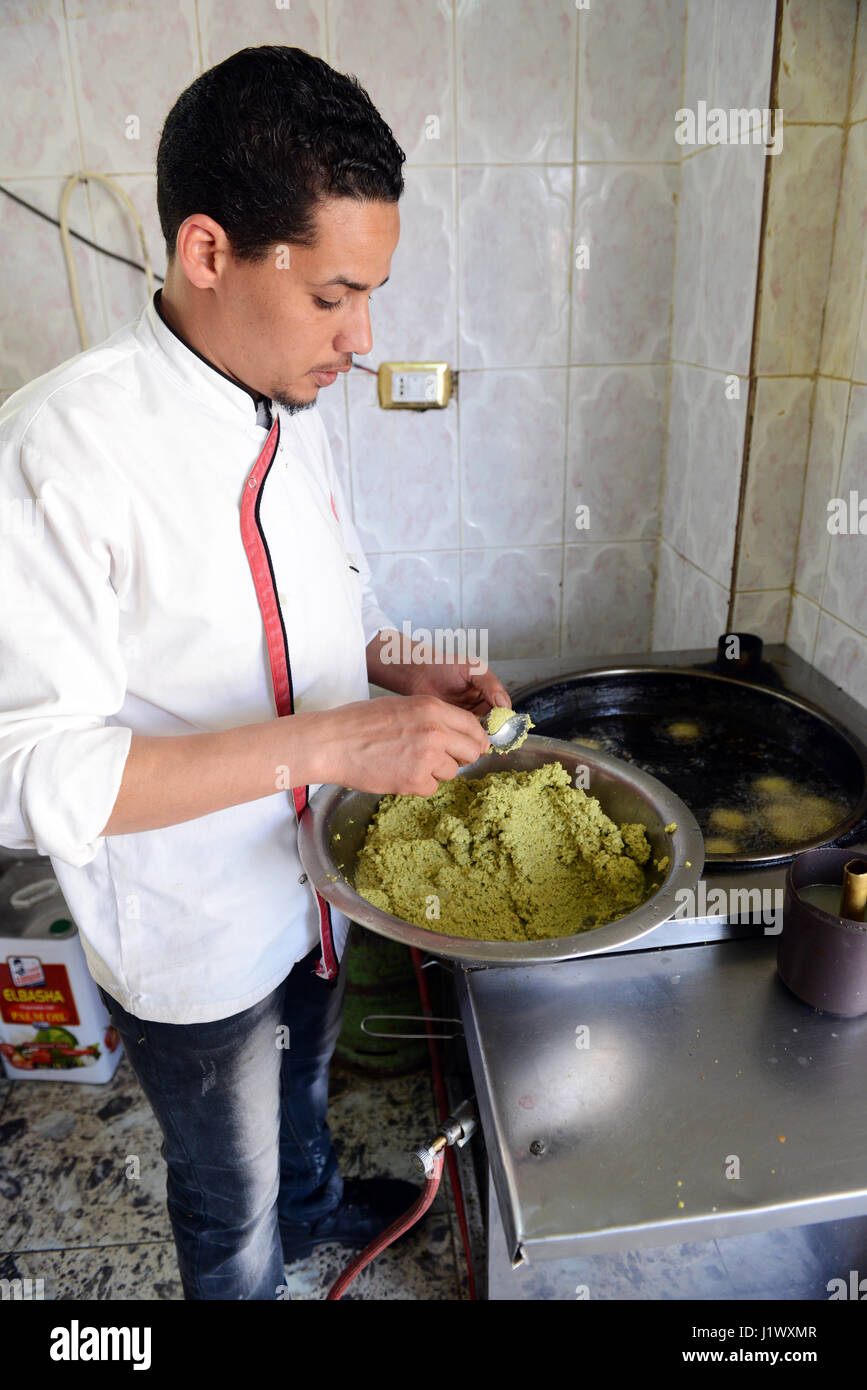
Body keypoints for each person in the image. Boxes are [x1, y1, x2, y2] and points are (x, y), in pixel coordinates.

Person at [0, 45, 510, 1300]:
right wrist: (336, 746)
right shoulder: (60, 452)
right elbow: (28, 776)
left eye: (371, 293)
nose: (364, 336)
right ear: (210, 252)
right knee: (228, 1193)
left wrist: (411, 674)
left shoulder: (288, 405)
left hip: (315, 888)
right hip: (192, 931)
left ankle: (323, 1206)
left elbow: (339, 610)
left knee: (307, 1091)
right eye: (336, 294)